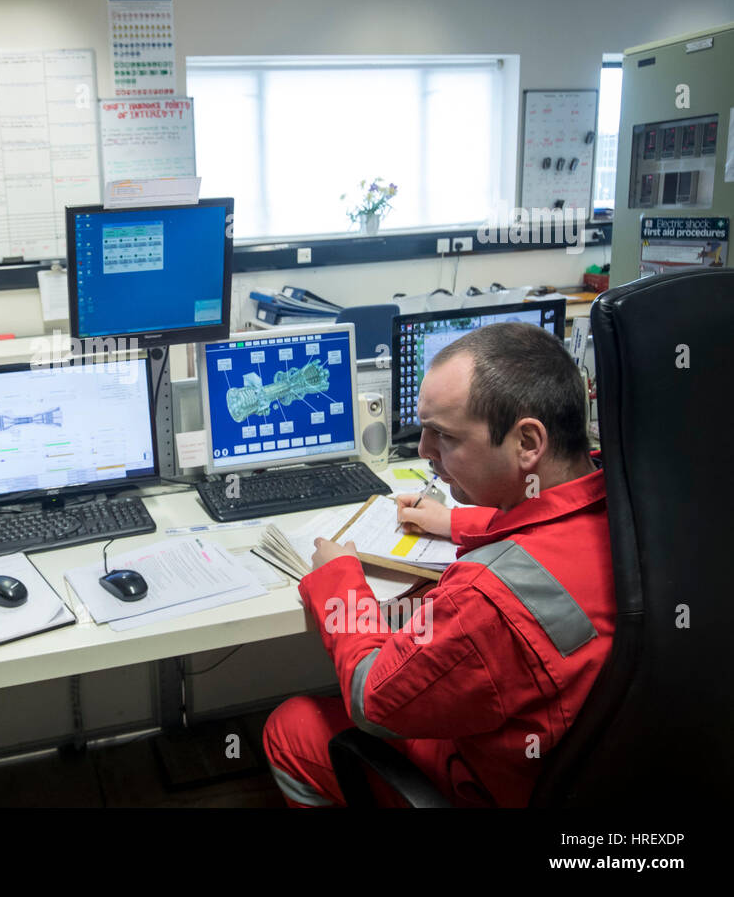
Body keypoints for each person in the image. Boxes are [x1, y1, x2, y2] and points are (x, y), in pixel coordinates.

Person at [262, 322, 613, 807]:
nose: (425, 453)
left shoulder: (485, 598)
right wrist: (456, 522)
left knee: (292, 726)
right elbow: (549, 523)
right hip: (579, 766)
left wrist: (337, 579)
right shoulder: (628, 510)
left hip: (492, 783)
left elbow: (372, 698)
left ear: (528, 443)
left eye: (443, 436)